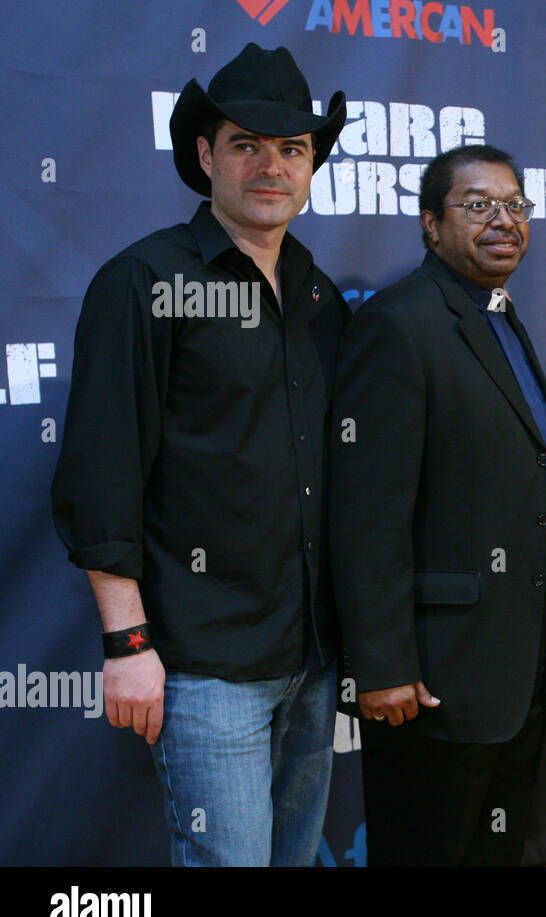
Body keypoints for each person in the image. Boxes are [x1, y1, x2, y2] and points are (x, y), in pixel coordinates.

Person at [50, 44, 349, 866]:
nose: (271, 166)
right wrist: (127, 644)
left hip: (313, 660)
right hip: (203, 663)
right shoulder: (142, 281)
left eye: (292, 148)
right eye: (247, 143)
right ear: (204, 154)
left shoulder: (320, 296)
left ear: (313, 163)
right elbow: (99, 472)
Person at [327, 145, 546, 866]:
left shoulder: (502, 317)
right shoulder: (398, 324)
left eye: (514, 205)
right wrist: (381, 664)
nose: (502, 220)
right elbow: (366, 511)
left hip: (514, 671)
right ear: (430, 225)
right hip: (434, 682)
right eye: (477, 205)